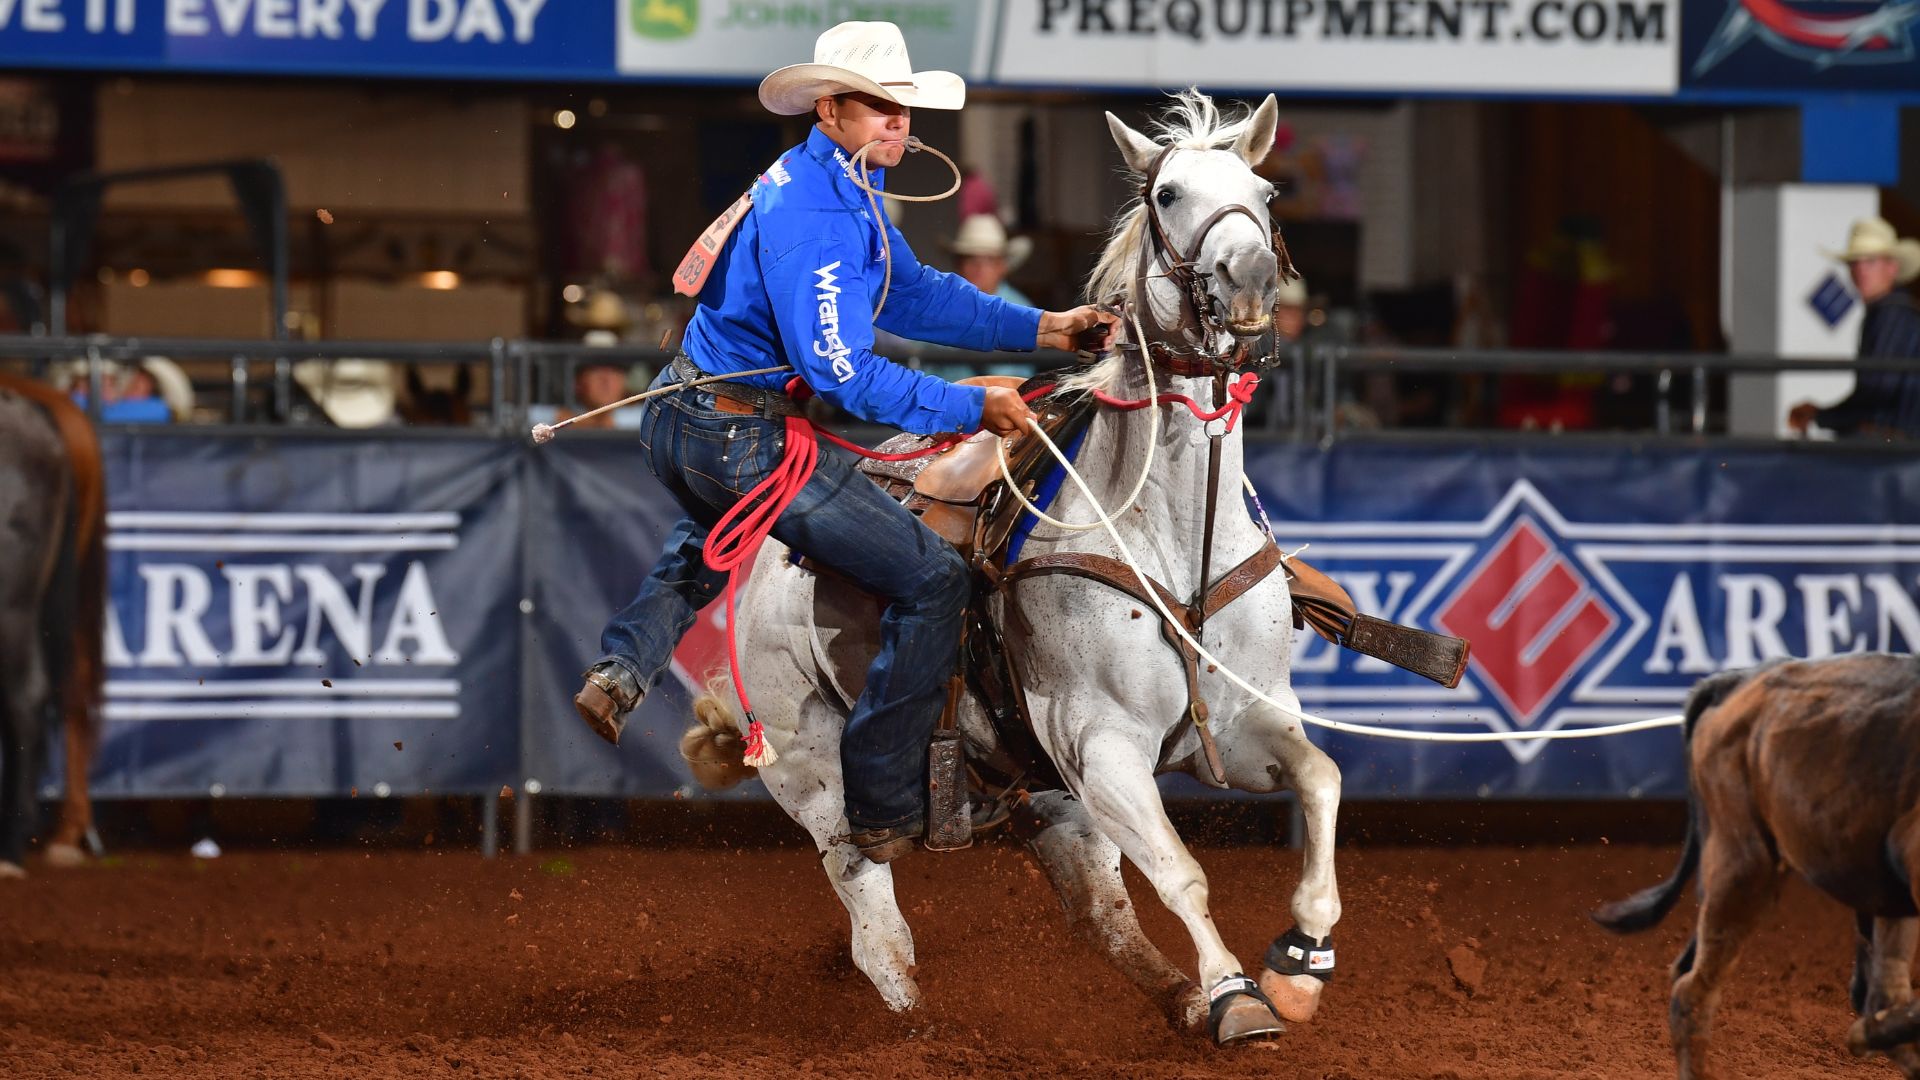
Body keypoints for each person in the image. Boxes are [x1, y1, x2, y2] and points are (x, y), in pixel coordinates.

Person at [571, 20, 1115, 862]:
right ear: (830, 110)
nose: (899, 121)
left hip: (687, 419)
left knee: (716, 529)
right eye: (878, 106)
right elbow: (845, 376)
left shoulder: (827, 184)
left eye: (903, 108)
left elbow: (913, 293)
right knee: (932, 578)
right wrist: (972, 407)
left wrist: (1044, 327)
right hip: (737, 433)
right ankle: (887, 799)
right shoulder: (821, 214)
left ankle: (623, 670)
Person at [1789, 217, 1920, 441]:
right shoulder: (1889, 313)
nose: (1860, 270)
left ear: (1892, 267)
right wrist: (1820, 416)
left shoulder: (1891, 315)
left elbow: (1876, 395)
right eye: (1854, 263)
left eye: (1870, 262)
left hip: (1893, 446)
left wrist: (1820, 416)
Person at [944, 214, 1032, 306]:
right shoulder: (945, 303)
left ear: (1002, 267)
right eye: (971, 259)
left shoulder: (1019, 309)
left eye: (989, 260)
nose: (979, 268)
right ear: (959, 264)